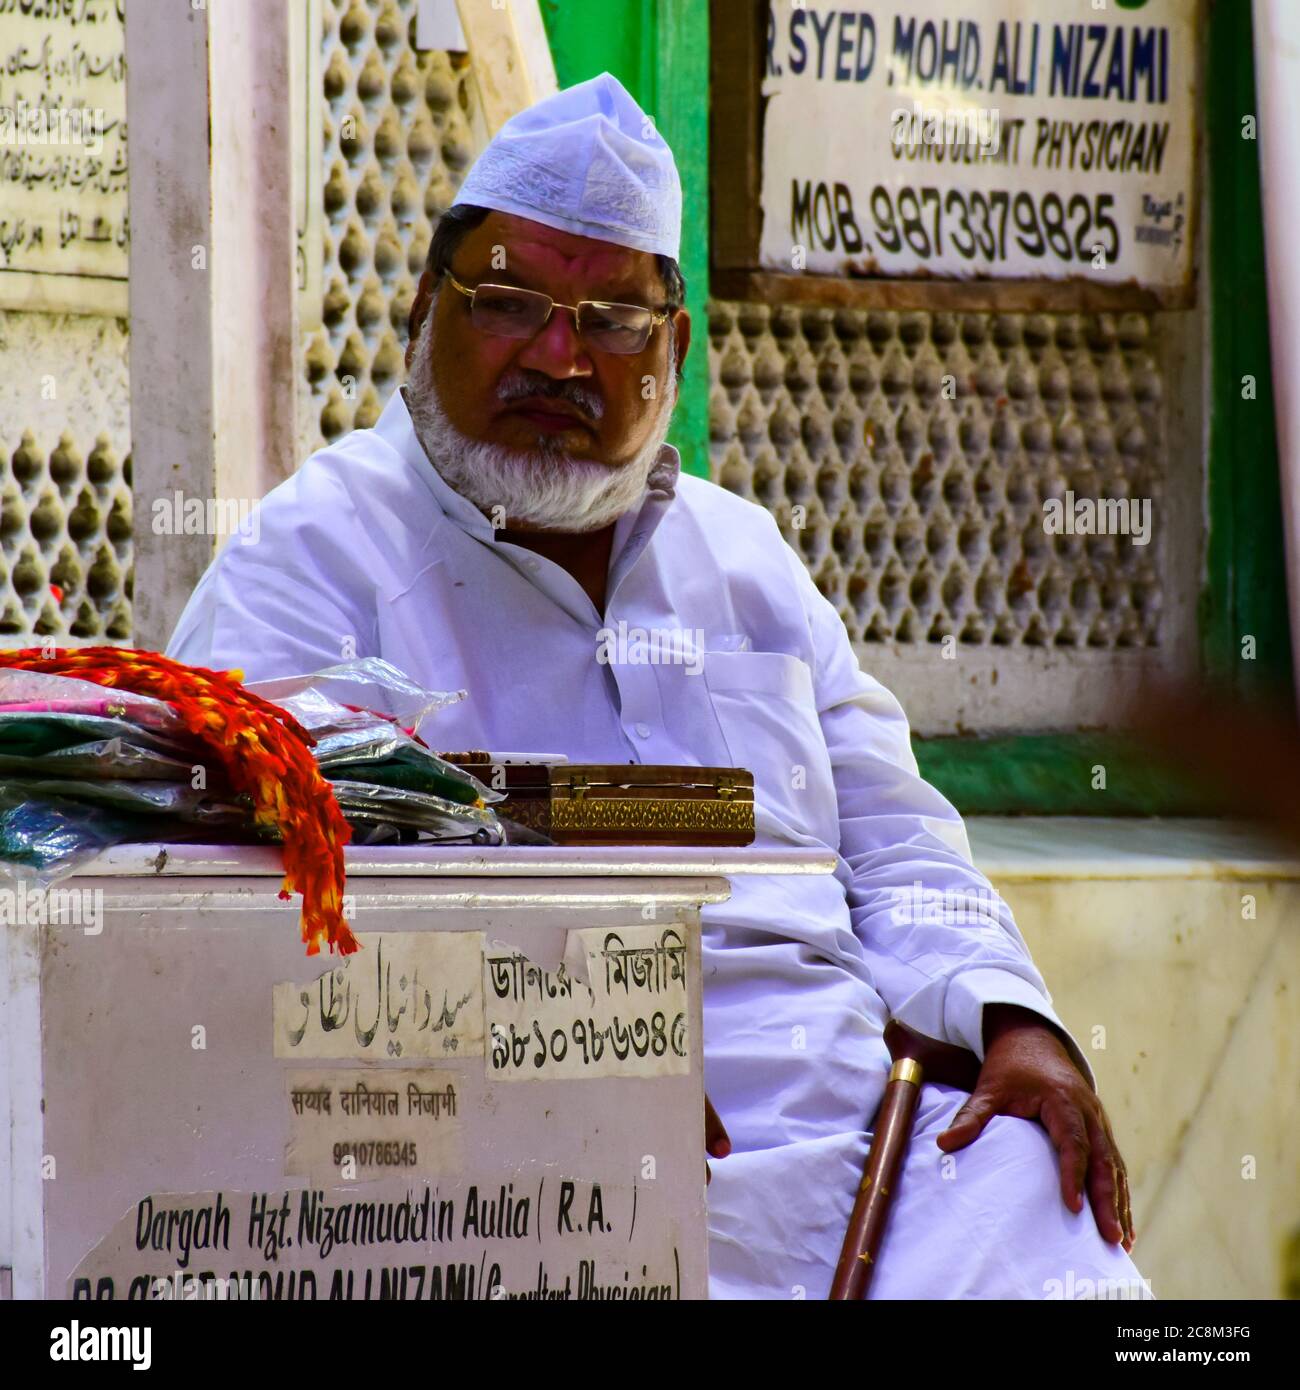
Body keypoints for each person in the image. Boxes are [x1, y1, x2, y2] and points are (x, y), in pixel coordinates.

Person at [169, 72, 1147, 1299]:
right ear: (424, 308)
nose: (560, 354)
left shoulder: (747, 563)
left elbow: (899, 845)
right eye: (510, 301)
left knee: (1051, 1224)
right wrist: (569, 1053)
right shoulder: (309, 556)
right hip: (499, 1174)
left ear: (674, 346)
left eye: (614, 318)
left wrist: (1019, 1022)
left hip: (871, 1168)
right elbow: (252, 898)